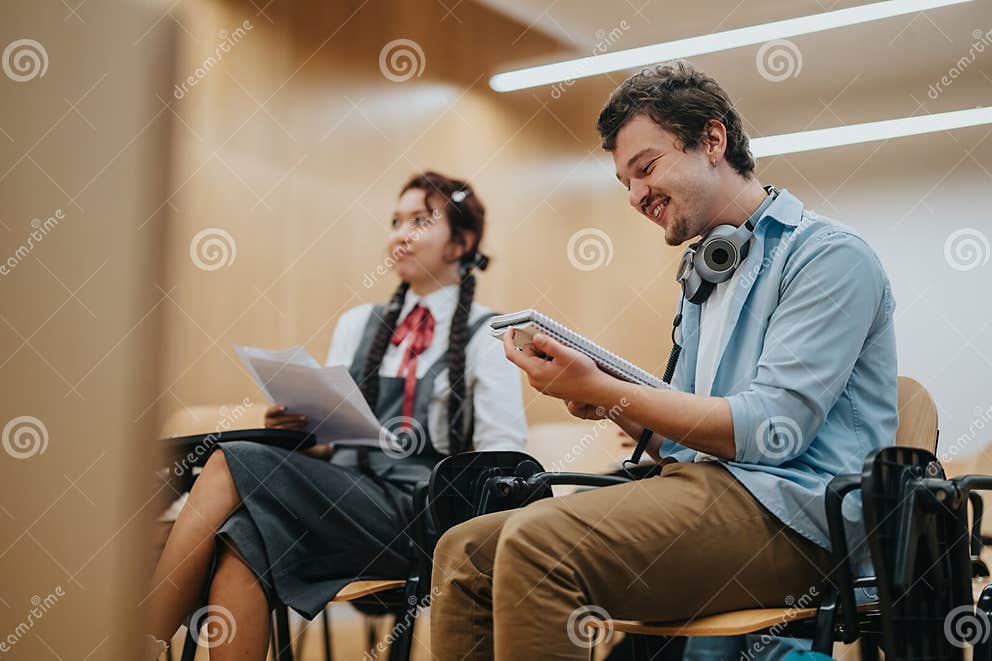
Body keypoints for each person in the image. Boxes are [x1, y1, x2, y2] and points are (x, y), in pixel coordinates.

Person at [429, 61, 898, 660]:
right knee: (463, 552)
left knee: (537, 545)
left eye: (645, 169)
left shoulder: (831, 258)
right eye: (624, 182)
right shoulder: (710, 270)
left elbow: (771, 434)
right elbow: (689, 447)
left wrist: (607, 390)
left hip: (803, 521)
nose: (634, 196)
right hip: (713, 491)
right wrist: (612, 406)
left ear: (712, 139)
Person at [144, 171, 527, 659]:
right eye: (394, 220)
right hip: (345, 497)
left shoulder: (489, 335)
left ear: (461, 242)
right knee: (243, 537)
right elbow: (331, 441)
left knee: (228, 459)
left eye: (418, 220)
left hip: (424, 516)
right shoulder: (357, 324)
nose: (399, 233)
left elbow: (501, 457)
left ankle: (135, 639)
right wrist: (305, 428)